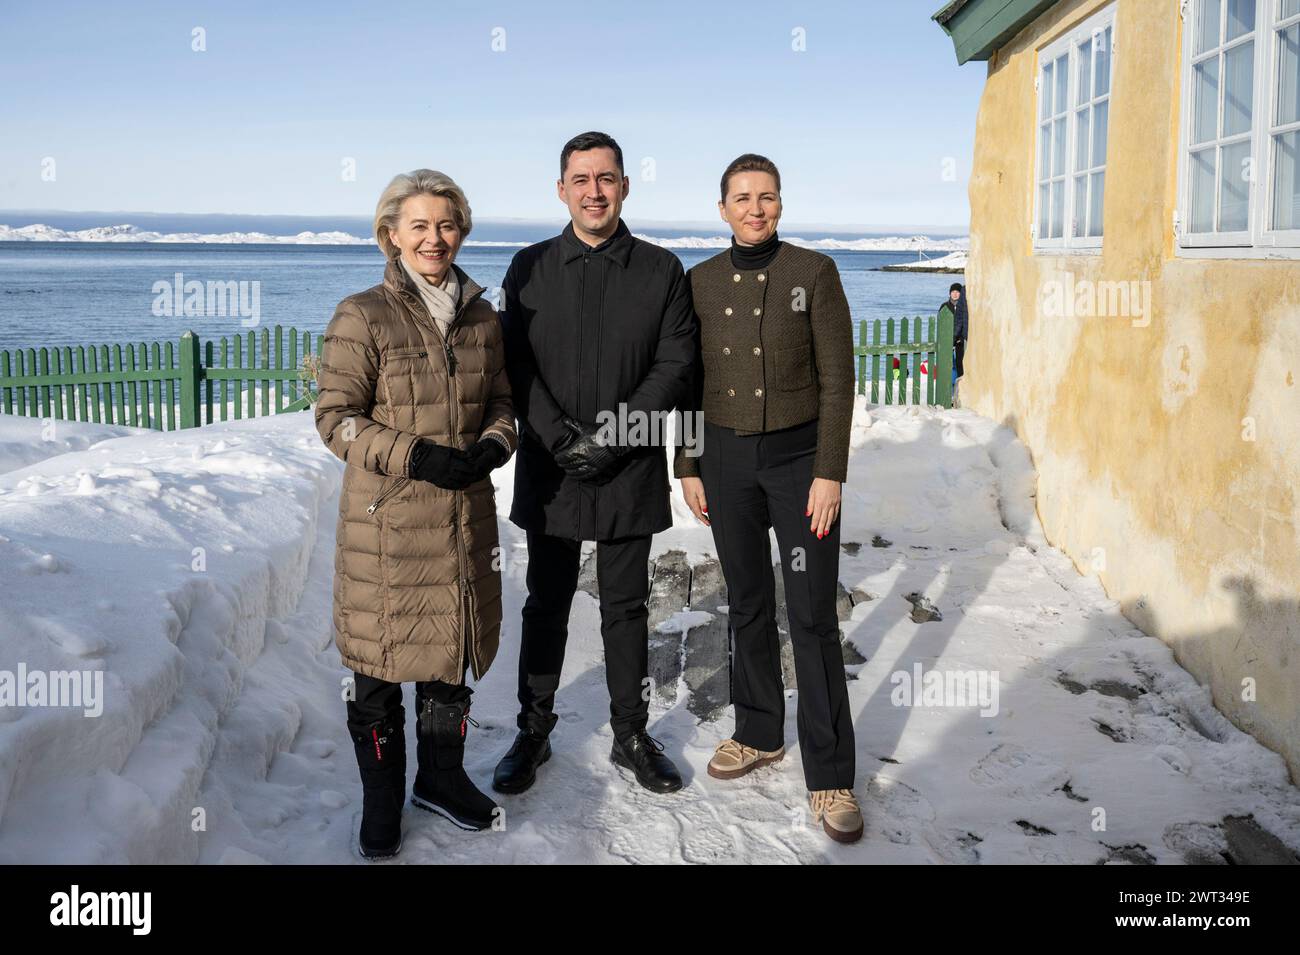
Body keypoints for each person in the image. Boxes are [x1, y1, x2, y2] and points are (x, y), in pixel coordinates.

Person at [315, 169, 516, 859]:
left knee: (448, 653)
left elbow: (502, 400)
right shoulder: (362, 315)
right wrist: (416, 456)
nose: (435, 238)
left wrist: (495, 443)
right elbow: (336, 420)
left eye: (447, 224)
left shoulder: (482, 317)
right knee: (377, 663)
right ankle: (381, 797)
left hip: (461, 517)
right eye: (420, 225)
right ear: (392, 235)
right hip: (387, 524)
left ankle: (441, 778)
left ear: (462, 232)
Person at [494, 131, 695, 797]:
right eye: (581, 179)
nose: (594, 191)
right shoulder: (529, 267)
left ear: (625, 186)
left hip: (628, 463)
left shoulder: (662, 270)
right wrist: (559, 438)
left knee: (627, 606)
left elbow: (675, 363)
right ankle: (533, 729)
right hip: (552, 466)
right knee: (545, 602)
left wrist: (611, 438)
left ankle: (631, 732)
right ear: (561, 190)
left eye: (606, 178)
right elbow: (514, 361)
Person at [675, 154, 862, 844]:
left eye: (768, 197)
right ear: (722, 208)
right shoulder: (699, 281)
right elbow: (689, 381)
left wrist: (829, 471)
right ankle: (758, 731)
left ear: (780, 205)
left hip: (798, 463)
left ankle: (831, 774)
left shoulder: (814, 272)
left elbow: (838, 379)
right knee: (748, 600)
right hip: (725, 462)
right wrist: (689, 464)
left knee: (811, 614)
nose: (756, 209)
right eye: (743, 198)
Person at [938, 282, 967, 403]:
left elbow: (963, 323)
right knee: (949, 367)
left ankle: (958, 393)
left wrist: (958, 337)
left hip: (960, 342)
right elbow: (941, 323)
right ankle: (948, 392)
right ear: (949, 293)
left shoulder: (963, 307)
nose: (955, 294)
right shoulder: (945, 306)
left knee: (960, 366)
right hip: (947, 342)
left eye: (957, 292)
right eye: (953, 292)